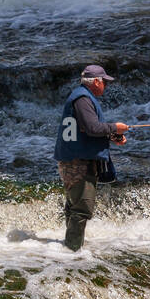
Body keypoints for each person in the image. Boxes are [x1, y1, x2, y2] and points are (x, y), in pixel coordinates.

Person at [52, 65, 128, 251]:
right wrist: (115, 128)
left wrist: (112, 136)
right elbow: (93, 128)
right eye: (104, 82)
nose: (106, 86)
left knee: (74, 206)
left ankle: (69, 248)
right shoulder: (83, 99)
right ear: (96, 82)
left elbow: (86, 129)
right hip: (78, 162)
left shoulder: (80, 97)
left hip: (73, 159)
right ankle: (72, 252)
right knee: (82, 208)